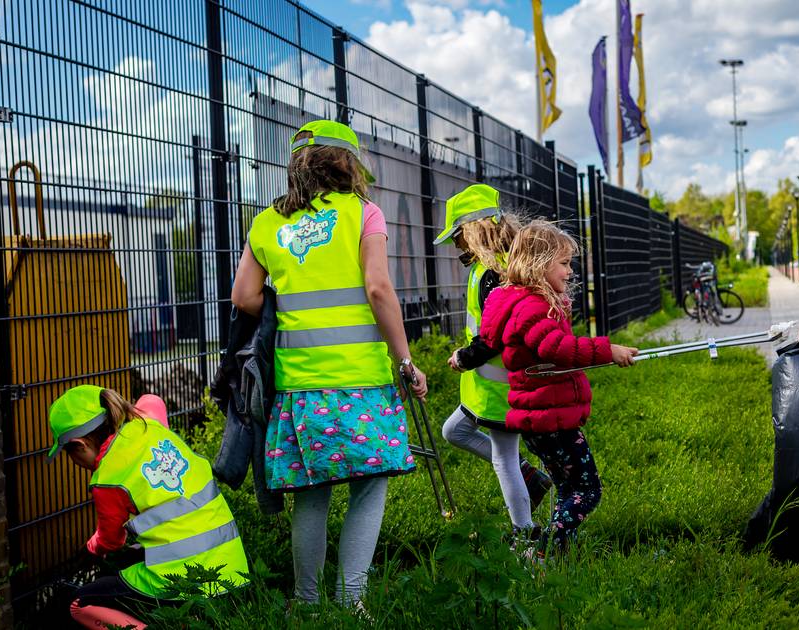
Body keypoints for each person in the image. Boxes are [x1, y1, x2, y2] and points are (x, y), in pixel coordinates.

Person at [231, 119, 427, 607]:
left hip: (298, 388)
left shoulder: (268, 223)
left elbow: (244, 296)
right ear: (349, 163)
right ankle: (351, 598)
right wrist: (405, 360)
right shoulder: (364, 213)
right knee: (368, 487)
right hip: (360, 381)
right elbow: (379, 289)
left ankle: (307, 599)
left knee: (310, 495)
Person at [479, 220, 638, 558]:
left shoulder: (527, 300)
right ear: (539, 263)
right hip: (551, 417)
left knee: (568, 485)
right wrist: (607, 350)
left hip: (543, 414)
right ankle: (544, 549)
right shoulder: (533, 307)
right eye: (564, 263)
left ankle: (559, 551)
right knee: (587, 489)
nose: (569, 271)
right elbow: (559, 349)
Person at [48, 386, 250, 629]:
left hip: (182, 579)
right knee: (134, 556)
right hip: (232, 569)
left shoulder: (109, 478)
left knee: (79, 603)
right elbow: (153, 401)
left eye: (70, 455)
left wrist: (90, 547)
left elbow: (111, 541)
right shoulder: (148, 424)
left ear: (80, 445)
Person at [433, 184, 553, 537]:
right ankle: (529, 477)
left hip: (501, 387)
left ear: (474, 232)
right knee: (454, 431)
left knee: (503, 459)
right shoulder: (500, 267)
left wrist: (464, 357)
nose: (455, 245)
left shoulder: (492, 274)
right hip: (491, 385)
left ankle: (526, 534)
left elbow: (494, 335)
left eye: (457, 236)